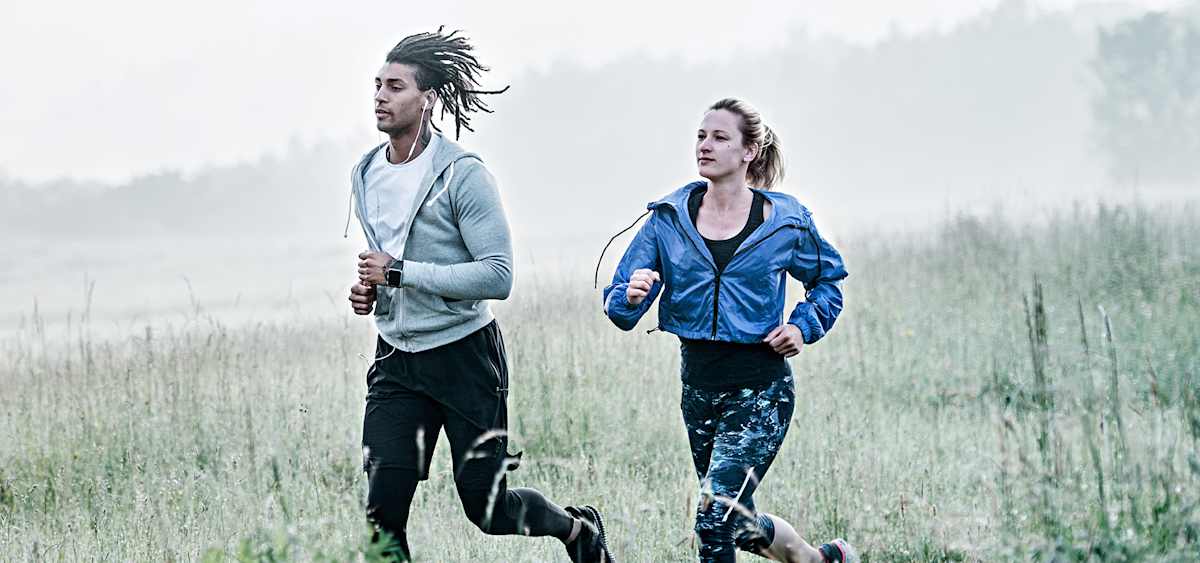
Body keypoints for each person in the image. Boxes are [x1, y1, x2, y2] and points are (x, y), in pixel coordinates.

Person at [347, 29, 614, 562]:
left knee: (487, 510)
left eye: (395, 86)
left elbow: (497, 276)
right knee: (382, 514)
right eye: (377, 84)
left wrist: (398, 274)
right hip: (396, 362)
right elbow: (390, 263)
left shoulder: (463, 175)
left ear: (427, 99)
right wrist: (373, 293)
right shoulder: (367, 173)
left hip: (465, 358)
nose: (380, 95)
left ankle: (577, 531)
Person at [601, 98, 858, 563]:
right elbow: (620, 307)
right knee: (735, 522)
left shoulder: (784, 222)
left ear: (749, 152)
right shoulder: (668, 219)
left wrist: (802, 327)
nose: (705, 145)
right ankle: (819, 560)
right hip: (698, 386)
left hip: (760, 387)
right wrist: (630, 296)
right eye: (701, 136)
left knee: (712, 514)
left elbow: (827, 282)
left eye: (720, 137)